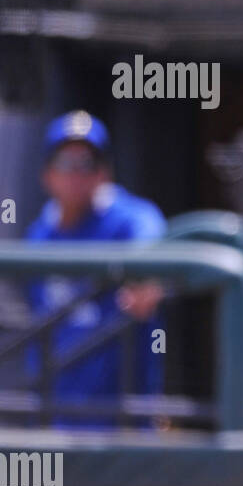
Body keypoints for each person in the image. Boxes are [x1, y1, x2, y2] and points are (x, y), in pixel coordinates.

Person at [26, 112, 167, 428]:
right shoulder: (39, 235)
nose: (76, 173)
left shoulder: (129, 220)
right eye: (65, 161)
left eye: (88, 162)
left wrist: (145, 277)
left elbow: (152, 239)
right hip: (55, 418)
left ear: (105, 173)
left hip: (123, 423)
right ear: (46, 174)